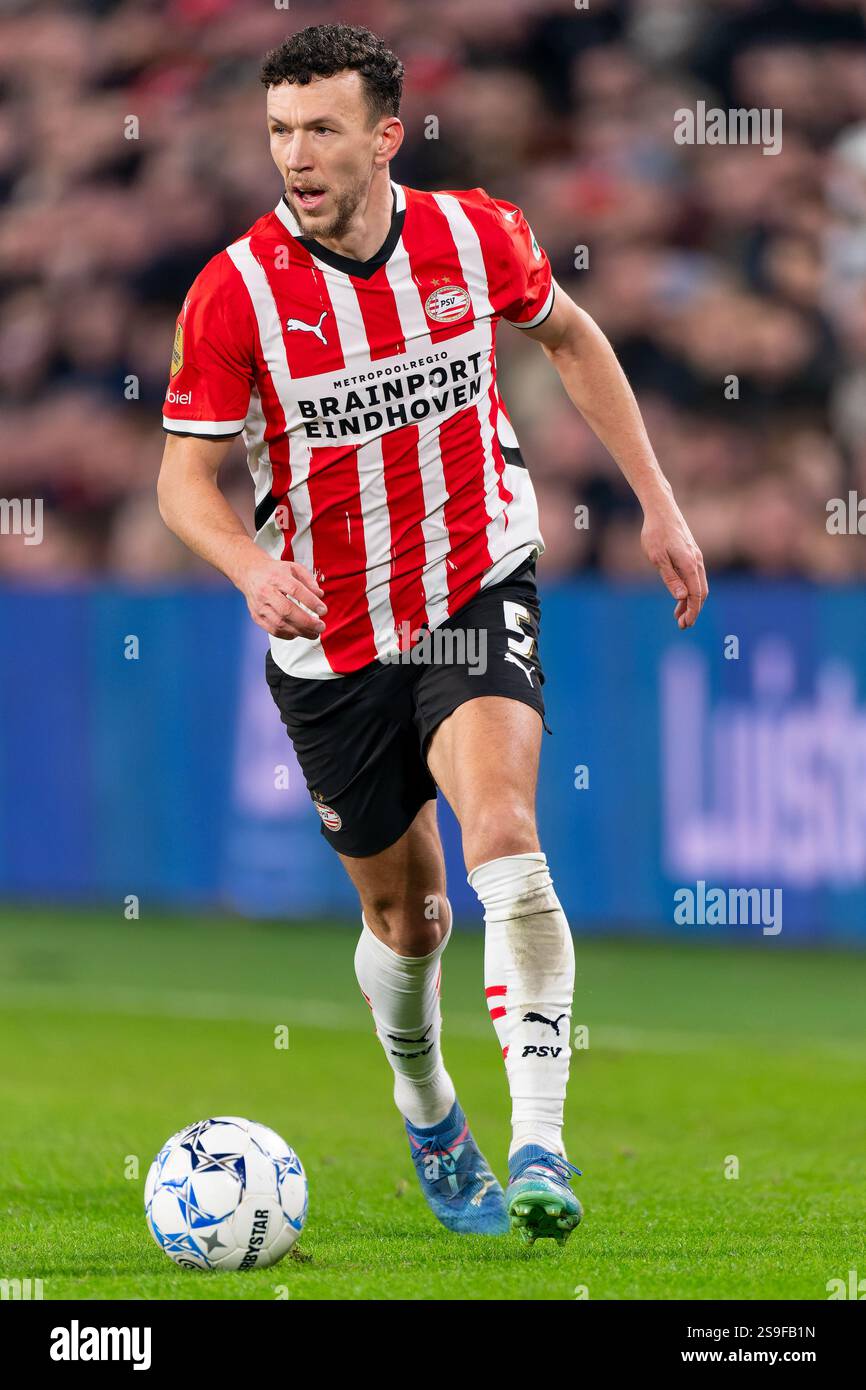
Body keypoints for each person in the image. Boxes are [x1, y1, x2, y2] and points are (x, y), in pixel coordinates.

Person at [157, 23, 707, 1246]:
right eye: (279, 132)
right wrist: (251, 566)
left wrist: (659, 504)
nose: (294, 156)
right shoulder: (235, 291)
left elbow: (569, 337)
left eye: (320, 129)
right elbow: (182, 483)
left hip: (470, 582)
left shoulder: (473, 233)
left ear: (384, 136)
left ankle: (540, 1143)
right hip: (330, 637)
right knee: (409, 922)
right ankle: (426, 1100)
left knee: (504, 831)